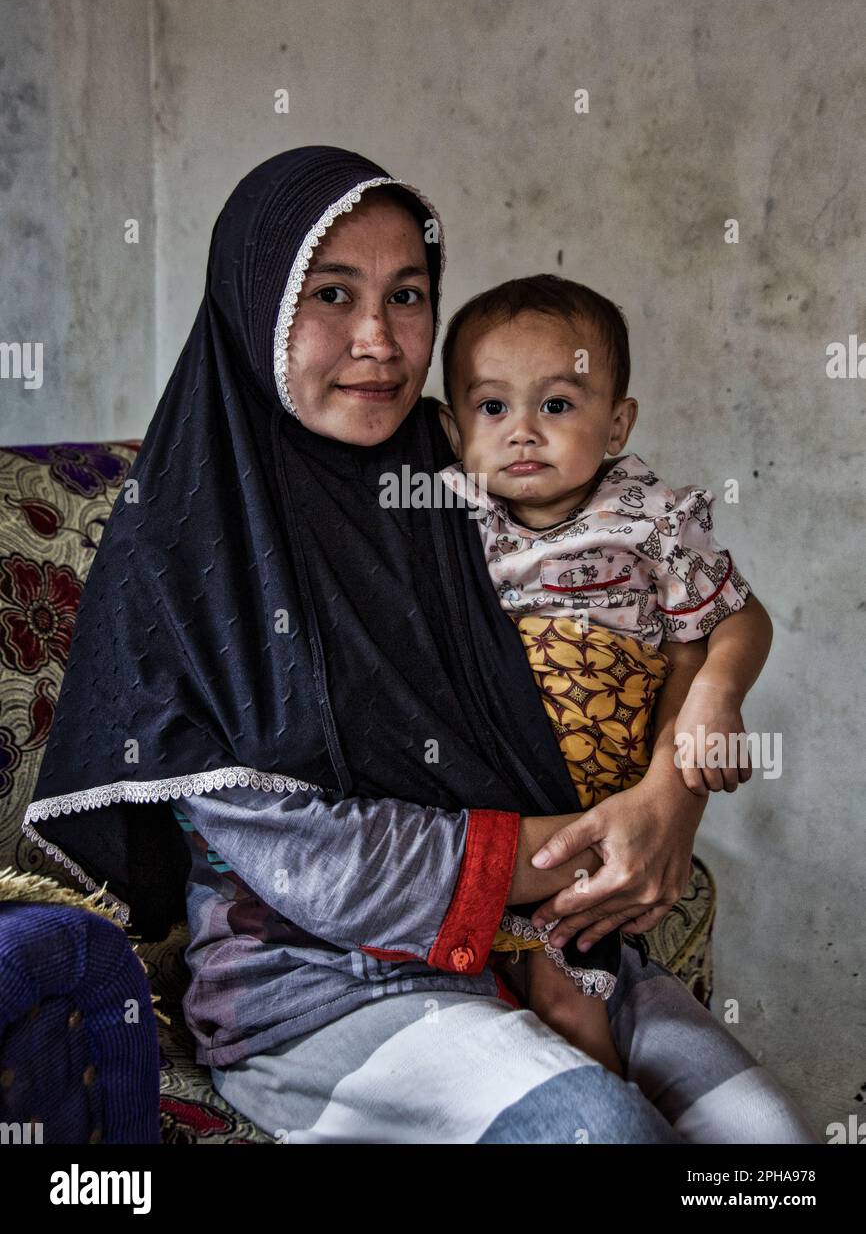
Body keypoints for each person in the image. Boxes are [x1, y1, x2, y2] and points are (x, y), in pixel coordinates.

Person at [22, 146, 818, 1144]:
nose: (378, 340)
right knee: (597, 1133)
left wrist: (669, 794)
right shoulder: (184, 548)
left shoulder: (465, 480)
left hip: (559, 947)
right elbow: (326, 869)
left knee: (771, 1147)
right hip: (320, 986)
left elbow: (665, 618)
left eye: (406, 295)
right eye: (330, 294)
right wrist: (599, 848)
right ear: (255, 303)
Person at [435, 274, 768, 1077]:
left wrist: (715, 699)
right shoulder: (446, 517)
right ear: (451, 430)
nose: (522, 432)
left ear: (617, 423)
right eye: (492, 408)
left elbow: (738, 619)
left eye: (557, 405)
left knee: (565, 1000)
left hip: (596, 809)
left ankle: (618, 1115)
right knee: (475, 990)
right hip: (486, 795)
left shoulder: (649, 520)